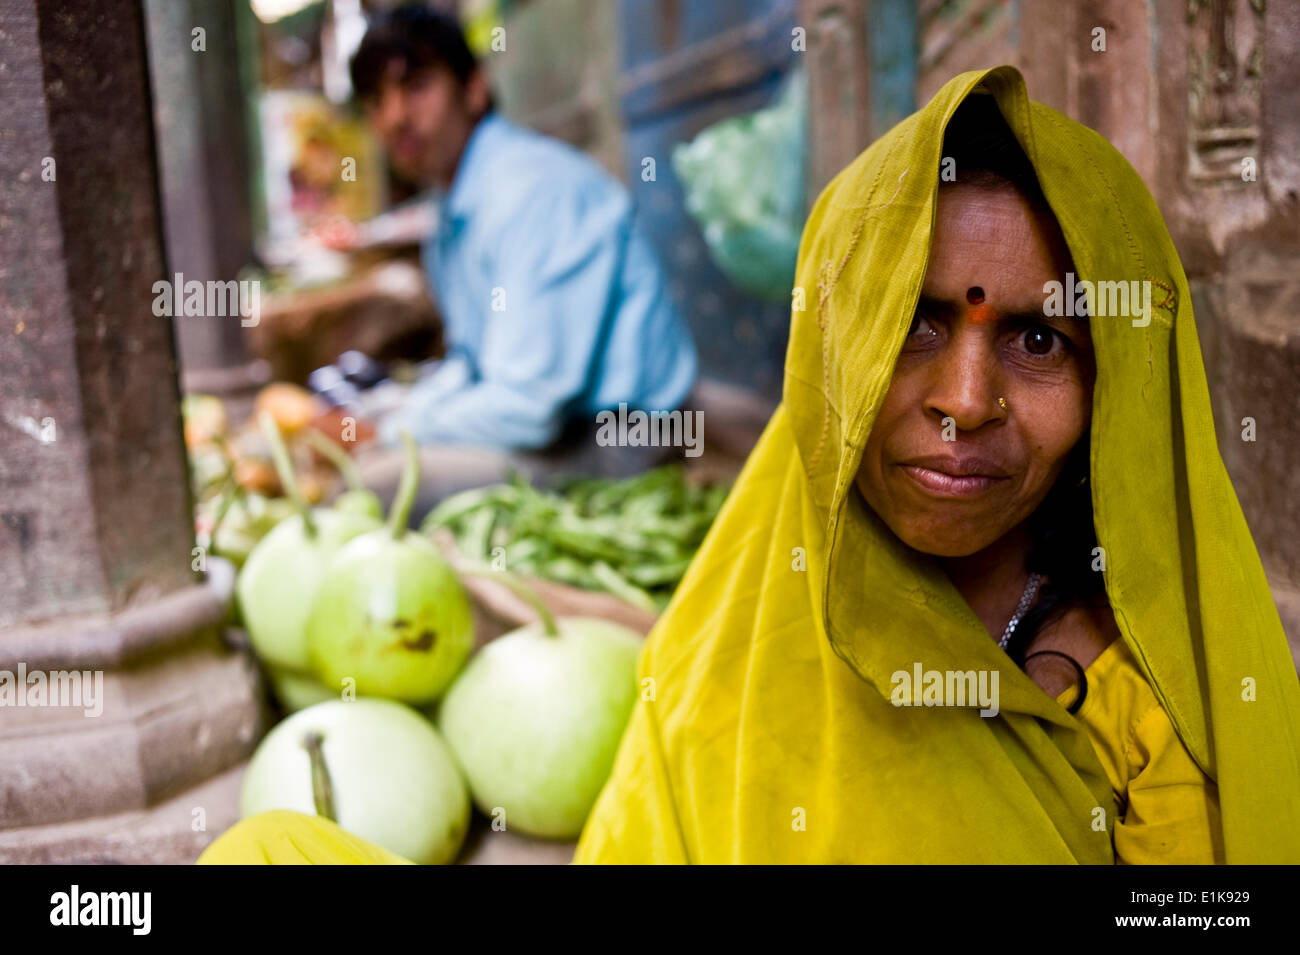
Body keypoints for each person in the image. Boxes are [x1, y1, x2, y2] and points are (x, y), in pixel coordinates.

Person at [197, 66, 1300, 865]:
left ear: (1116, 386)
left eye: (1039, 339)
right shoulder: (746, 602)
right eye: (908, 325)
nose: (966, 400)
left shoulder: (1144, 707)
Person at [345, 5, 697, 508]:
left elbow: (527, 410)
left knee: (373, 486)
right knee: (379, 463)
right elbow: (472, 365)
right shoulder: (451, 212)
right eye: (376, 100)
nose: (395, 116)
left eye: (416, 85)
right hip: (562, 425)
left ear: (474, 89)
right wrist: (387, 417)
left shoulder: (533, 194)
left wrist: (381, 431)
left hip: (625, 438)